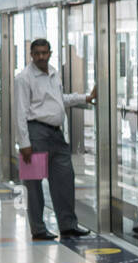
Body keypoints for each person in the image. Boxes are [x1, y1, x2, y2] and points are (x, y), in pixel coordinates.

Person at [14, 38, 95, 241]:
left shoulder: (52, 73)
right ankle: (38, 229)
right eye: (37, 53)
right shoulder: (24, 78)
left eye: (45, 52)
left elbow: (61, 99)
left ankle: (68, 225)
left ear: (50, 53)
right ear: (31, 55)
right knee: (33, 184)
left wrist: (85, 98)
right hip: (36, 134)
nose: (41, 56)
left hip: (57, 134)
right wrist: (24, 143)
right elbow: (20, 113)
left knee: (64, 180)